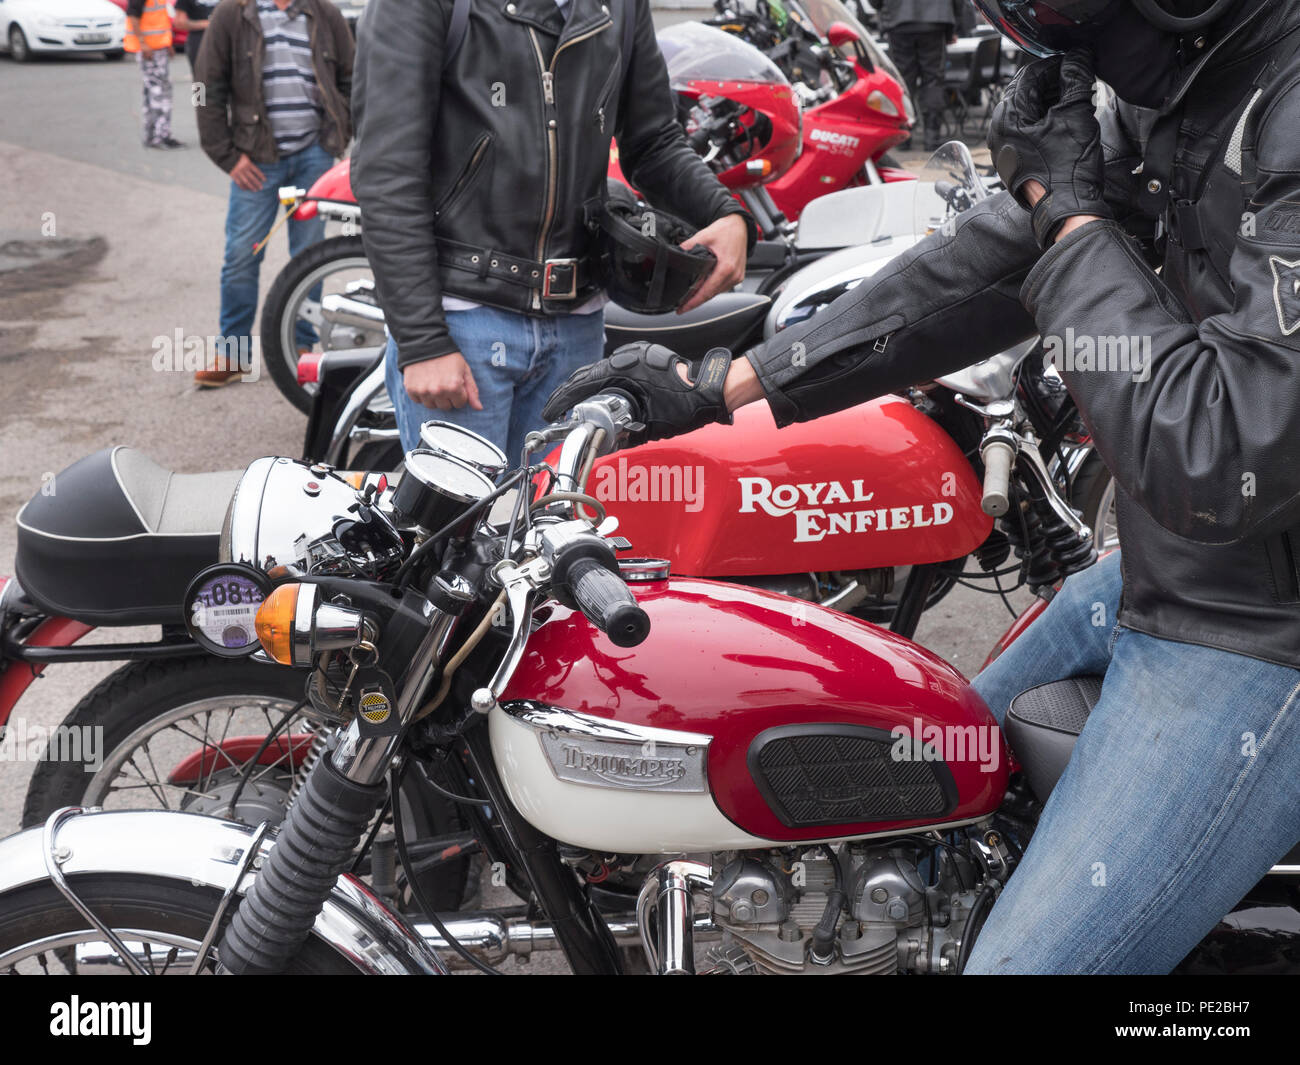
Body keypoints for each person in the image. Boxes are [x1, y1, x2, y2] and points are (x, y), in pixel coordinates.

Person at [544, 0, 1300, 974]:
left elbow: (1217, 448)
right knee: (927, 792)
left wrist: (1066, 217)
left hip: (1257, 635)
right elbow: (993, 258)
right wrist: (724, 385)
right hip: (1160, 570)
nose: (1037, 29)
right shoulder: (1192, 83)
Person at [350, 0, 756, 462]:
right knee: (456, 533)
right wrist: (422, 340)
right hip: (462, 324)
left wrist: (725, 214)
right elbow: (388, 174)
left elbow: (654, 140)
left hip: (578, 327)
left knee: (564, 528)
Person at [193, 0, 354, 387]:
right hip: (255, 160)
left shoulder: (324, 13)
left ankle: (298, 347)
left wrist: (338, 136)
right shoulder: (232, 14)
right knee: (240, 256)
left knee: (310, 258)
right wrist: (227, 157)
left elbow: (352, 79)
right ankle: (233, 354)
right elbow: (205, 88)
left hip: (314, 155)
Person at [877, 0, 967, 150]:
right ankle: (932, 137)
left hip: (898, 21)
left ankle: (903, 137)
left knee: (903, 82)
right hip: (935, 21)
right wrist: (953, 27)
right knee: (933, 80)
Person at [124, 0, 182, 150]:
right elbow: (133, 15)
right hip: (150, 51)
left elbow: (158, 19)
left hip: (157, 47)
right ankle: (158, 137)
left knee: (156, 92)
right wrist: (143, 43)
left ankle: (156, 134)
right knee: (159, 93)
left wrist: (167, 43)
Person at [173, 0, 218, 75]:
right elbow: (179, 22)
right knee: (200, 80)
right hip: (198, 42)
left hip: (222, 42)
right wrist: (205, 24)